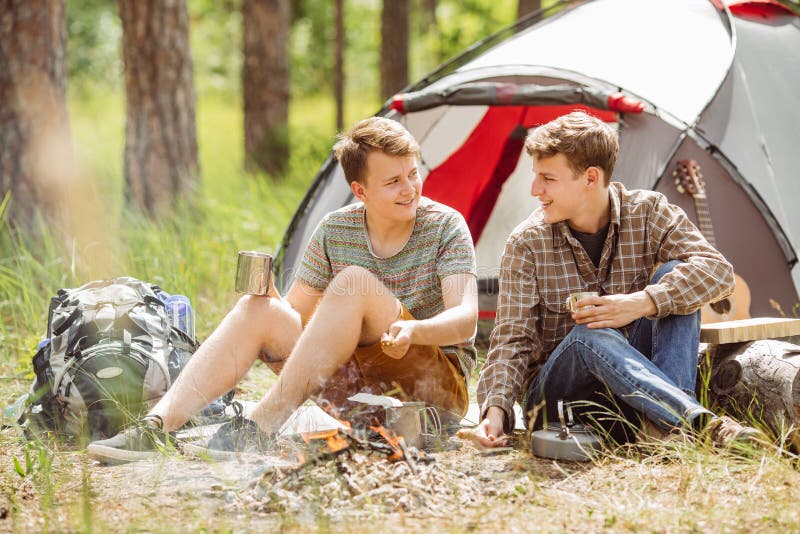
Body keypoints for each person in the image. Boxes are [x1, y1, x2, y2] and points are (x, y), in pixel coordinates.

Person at [88, 117, 478, 463]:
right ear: (360, 191)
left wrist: (414, 330)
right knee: (256, 309)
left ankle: (257, 428)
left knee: (352, 282)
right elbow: (295, 319)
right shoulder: (336, 229)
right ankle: (156, 426)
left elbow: (465, 321)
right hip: (361, 393)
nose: (410, 188)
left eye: (413, 173)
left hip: (432, 395)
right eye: (394, 181)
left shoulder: (445, 226)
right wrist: (269, 301)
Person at [474, 111, 760, 450]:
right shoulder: (527, 243)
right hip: (559, 404)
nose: (536, 189)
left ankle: (664, 431)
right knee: (587, 337)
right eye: (536, 176)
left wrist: (643, 302)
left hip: (633, 400)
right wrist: (495, 410)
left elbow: (718, 271)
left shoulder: (649, 211)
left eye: (548, 178)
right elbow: (512, 340)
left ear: (591, 178)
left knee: (674, 279)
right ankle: (698, 423)